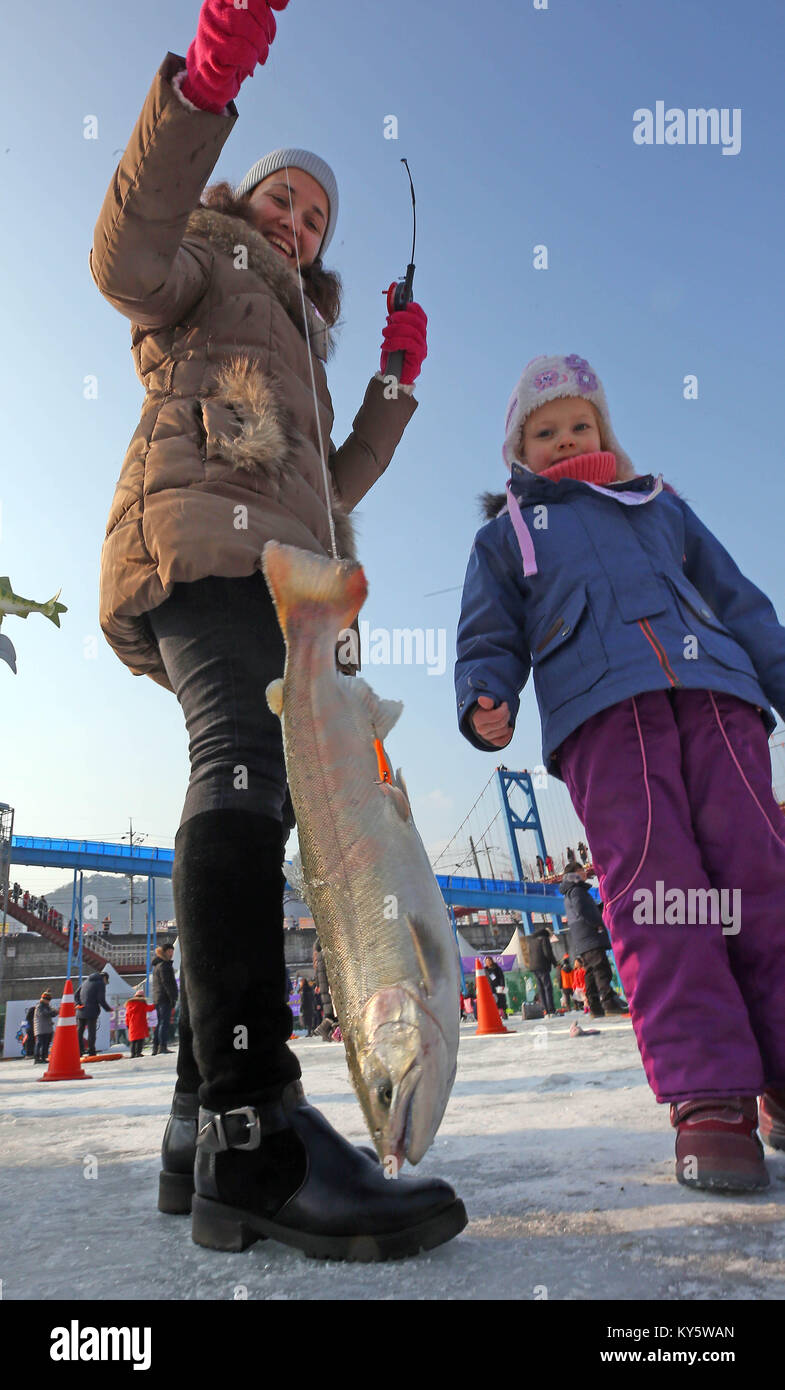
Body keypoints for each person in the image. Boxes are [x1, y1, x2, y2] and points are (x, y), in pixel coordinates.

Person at [90, 0, 462, 1259]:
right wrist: (202, 91)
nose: (296, 221)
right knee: (239, 775)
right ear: (245, 201)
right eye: (283, 198)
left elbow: (332, 485)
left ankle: (200, 1131)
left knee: (266, 798)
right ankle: (259, 1130)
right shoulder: (200, 262)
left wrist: (393, 387)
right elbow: (123, 255)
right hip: (202, 547)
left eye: (315, 217)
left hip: (289, 581)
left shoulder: (303, 336)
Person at [456, 350, 785, 1192]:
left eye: (580, 424)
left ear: (603, 431)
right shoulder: (507, 535)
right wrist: (486, 694)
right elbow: (488, 631)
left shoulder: (660, 504)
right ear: (519, 450)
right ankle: (709, 1101)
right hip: (604, 715)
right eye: (545, 431)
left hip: (717, 694)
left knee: (760, 874)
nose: (566, 439)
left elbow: (736, 594)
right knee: (656, 891)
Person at [560, 862, 627, 1018]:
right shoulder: (577, 890)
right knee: (601, 968)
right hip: (589, 935)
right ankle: (609, 1002)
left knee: (590, 971)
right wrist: (596, 923)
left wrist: (599, 908)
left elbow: (583, 909)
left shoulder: (571, 891)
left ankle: (595, 1006)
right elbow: (582, 910)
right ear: (574, 873)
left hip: (582, 937)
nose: (584, 873)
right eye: (581, 870)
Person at [74, 972, 111, 1056]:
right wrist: (108, 1009)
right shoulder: (100, 983)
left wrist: (78, 1004)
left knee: (80, 1031)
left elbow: (76, 994)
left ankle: (79, 1051)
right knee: (92, 1032)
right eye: (106, 981)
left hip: (80, 1011)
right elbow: (101, 999)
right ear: (104, 978)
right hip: (92, 1010)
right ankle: (91, 1051)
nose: (105, 983)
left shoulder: (85, 981)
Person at [525, 925, 559, 1017]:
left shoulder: (531, 940)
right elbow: (548, 953)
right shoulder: (544, 939)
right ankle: (551, 1010)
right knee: (547, 988)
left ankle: (545, 1010)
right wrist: (555, 963)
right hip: (542, 966)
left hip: (534, 967)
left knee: (540, 989)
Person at [151, 944, 179, 1055]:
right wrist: (173, 997)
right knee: (164, 1023)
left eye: (172, 951)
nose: (171, 954)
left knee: (160, 1023)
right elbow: (167, 983)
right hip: (164, 998)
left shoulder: (158, 965)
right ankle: (162, 1046)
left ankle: (156, 1047)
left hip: (158, 997)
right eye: (169, 951)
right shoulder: (164, 965)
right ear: (165, 952)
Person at [125, 986, 156, 1058]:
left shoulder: (129, 1004)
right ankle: (138, 1053)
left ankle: (133, 1054)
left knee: (133, 1040)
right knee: (140, 1040)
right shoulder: (142, 1004)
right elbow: (149, 1008)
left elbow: (127, 1016)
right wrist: (156, 1004)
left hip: (132, 1025)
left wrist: (127, 1024)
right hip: (140, 1024)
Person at [33, 991, 59, 1064]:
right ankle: (37, 1058)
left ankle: (44, 1057)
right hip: (40, 1029)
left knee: (46, 1044)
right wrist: (55, 1012)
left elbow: (51, 1013)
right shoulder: (40, 1006)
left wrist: (55, 1012)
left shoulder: (47, 1006)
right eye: (47, 1000)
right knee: (40, 1043)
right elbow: (45, 1014)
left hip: (47, 1028)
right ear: (43, 999)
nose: (48, 1001)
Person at [483, 955, 507, 1020]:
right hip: (490, 988)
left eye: (489, 961)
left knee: (502, 1001)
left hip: (499, 986)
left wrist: (502, 986)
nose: (488, 962)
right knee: (493, 1002)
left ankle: (505, 1014)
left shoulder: (497, 968)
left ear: (492, 961)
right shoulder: (485, 970)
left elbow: (501, 977)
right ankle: (495, 1016)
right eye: (486, 961)